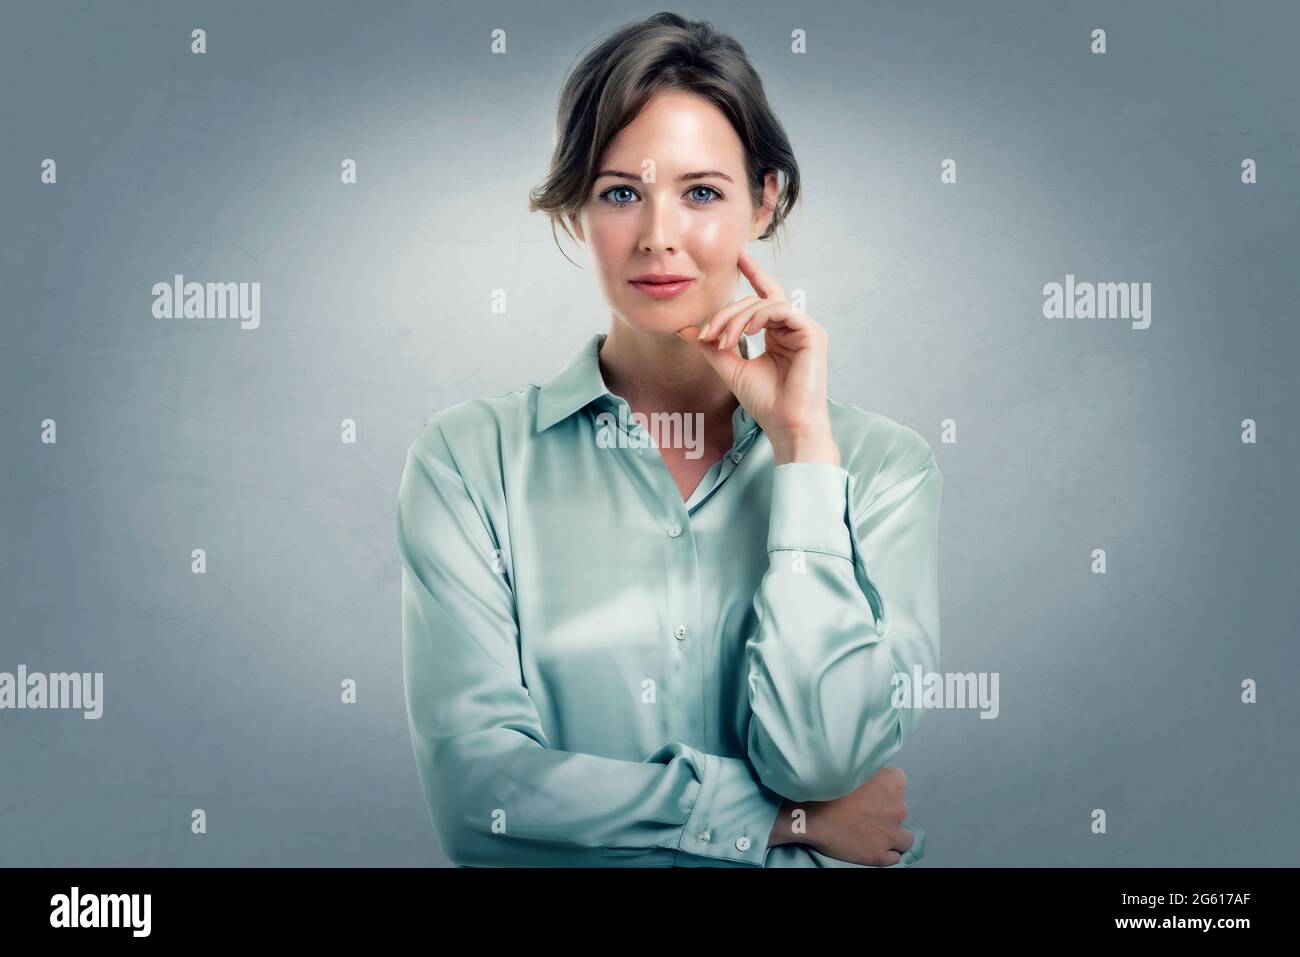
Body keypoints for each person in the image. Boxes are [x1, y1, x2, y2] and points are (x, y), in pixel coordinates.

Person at [395, 11, 943, 867]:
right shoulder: (471, 462)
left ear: (764, 200)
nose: (659, 235)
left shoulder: (881, 469)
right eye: (621, 192)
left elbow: (825, 757)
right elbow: (481, 800)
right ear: (578, 209)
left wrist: (803, 454)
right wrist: (781, 822)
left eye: (701, 192)